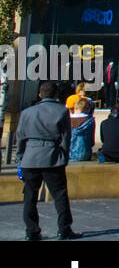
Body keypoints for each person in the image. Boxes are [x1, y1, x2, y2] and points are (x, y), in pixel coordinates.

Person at [17, 81, 81, 240]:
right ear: (56, 94)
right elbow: (66, 139)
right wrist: (64, 158)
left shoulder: (27, 112)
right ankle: (64, 229)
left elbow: (20, 138)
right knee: (59, 195)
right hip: (52, 156)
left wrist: (20, 159)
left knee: (30, 196)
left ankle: (31, 231)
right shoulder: (62, 111)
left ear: (40, 94)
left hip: (30, 157)